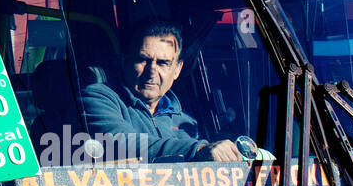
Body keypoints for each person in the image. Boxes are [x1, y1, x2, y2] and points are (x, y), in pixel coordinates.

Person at [80, 20, 239, 163]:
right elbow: (121, 145)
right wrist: (197, 150)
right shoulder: (96, 98)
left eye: (163, 63)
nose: (152, 71)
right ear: (125, 62)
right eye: (143, 60)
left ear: (177, 70)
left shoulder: (187, 123)